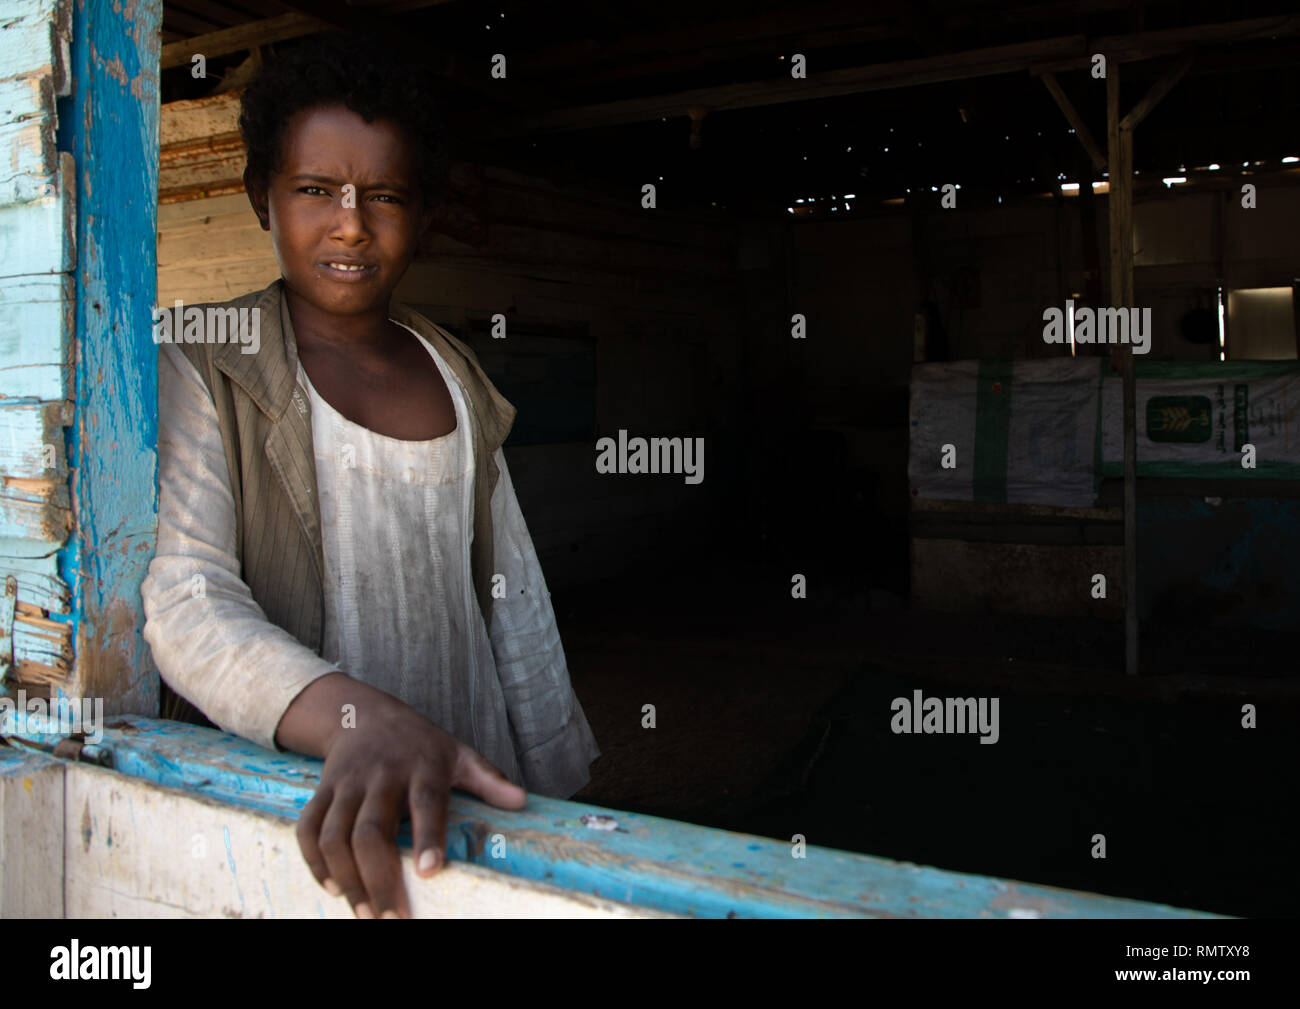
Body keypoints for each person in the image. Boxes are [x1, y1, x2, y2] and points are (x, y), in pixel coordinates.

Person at [141, 32, 600, 920]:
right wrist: (355, 718)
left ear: (421, 214)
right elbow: (188, 594)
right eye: (315, 189)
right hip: (316, 796)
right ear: (259, 199)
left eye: (384, 196)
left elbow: (515, 601)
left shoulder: (455, 370)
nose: (350, 221)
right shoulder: (203, 360)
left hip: (473, 774)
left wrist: (555, 798)